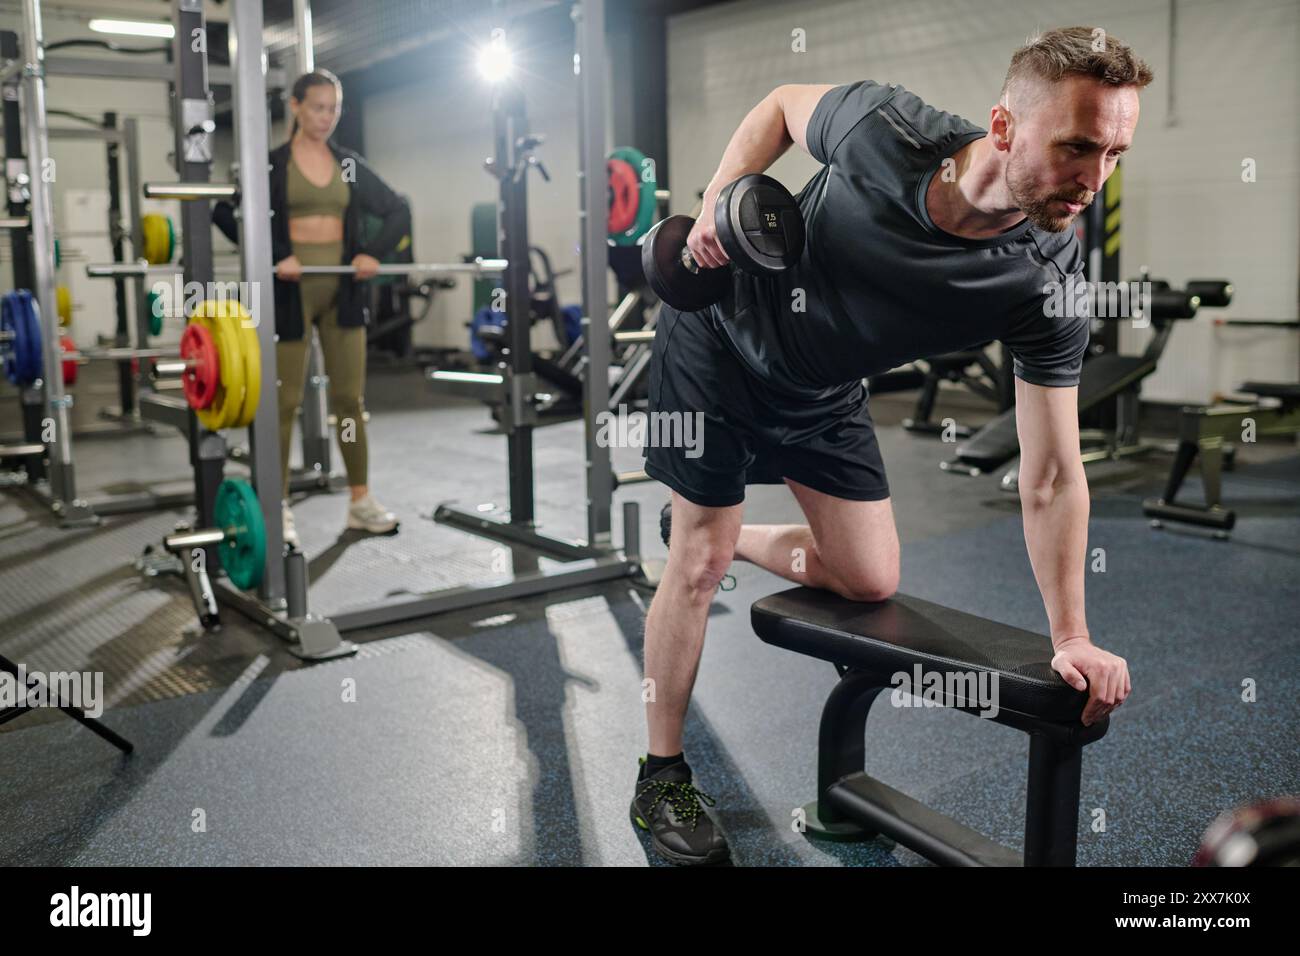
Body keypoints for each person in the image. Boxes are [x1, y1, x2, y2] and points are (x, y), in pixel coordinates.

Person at [633, 27, 1146, 866]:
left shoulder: (1048, 277)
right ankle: (661, 773)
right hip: (720, 340)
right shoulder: (886, 131)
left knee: (870, 579)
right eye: (1078, 147)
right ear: (1006, 128)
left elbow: (1052, 474)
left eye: (1116, 153)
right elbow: (779, 106)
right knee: (697, 561)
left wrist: (1071, 636)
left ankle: (717, 536)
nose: (1094, 180)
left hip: (825, 389)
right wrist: (723, 198)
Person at [215, 69, 408, 546]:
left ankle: (361, 501)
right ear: (296, 107)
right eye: (318, 107)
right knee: (283, 403)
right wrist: (273, 255)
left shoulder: (347, 164)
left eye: (334, 109)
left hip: (342, 291)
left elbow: (398, 209)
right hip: (290, 292)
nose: (327, 117)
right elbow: (226, 211)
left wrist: (373, 254)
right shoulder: (272, 164)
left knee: (349, 401)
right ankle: (276, 506)